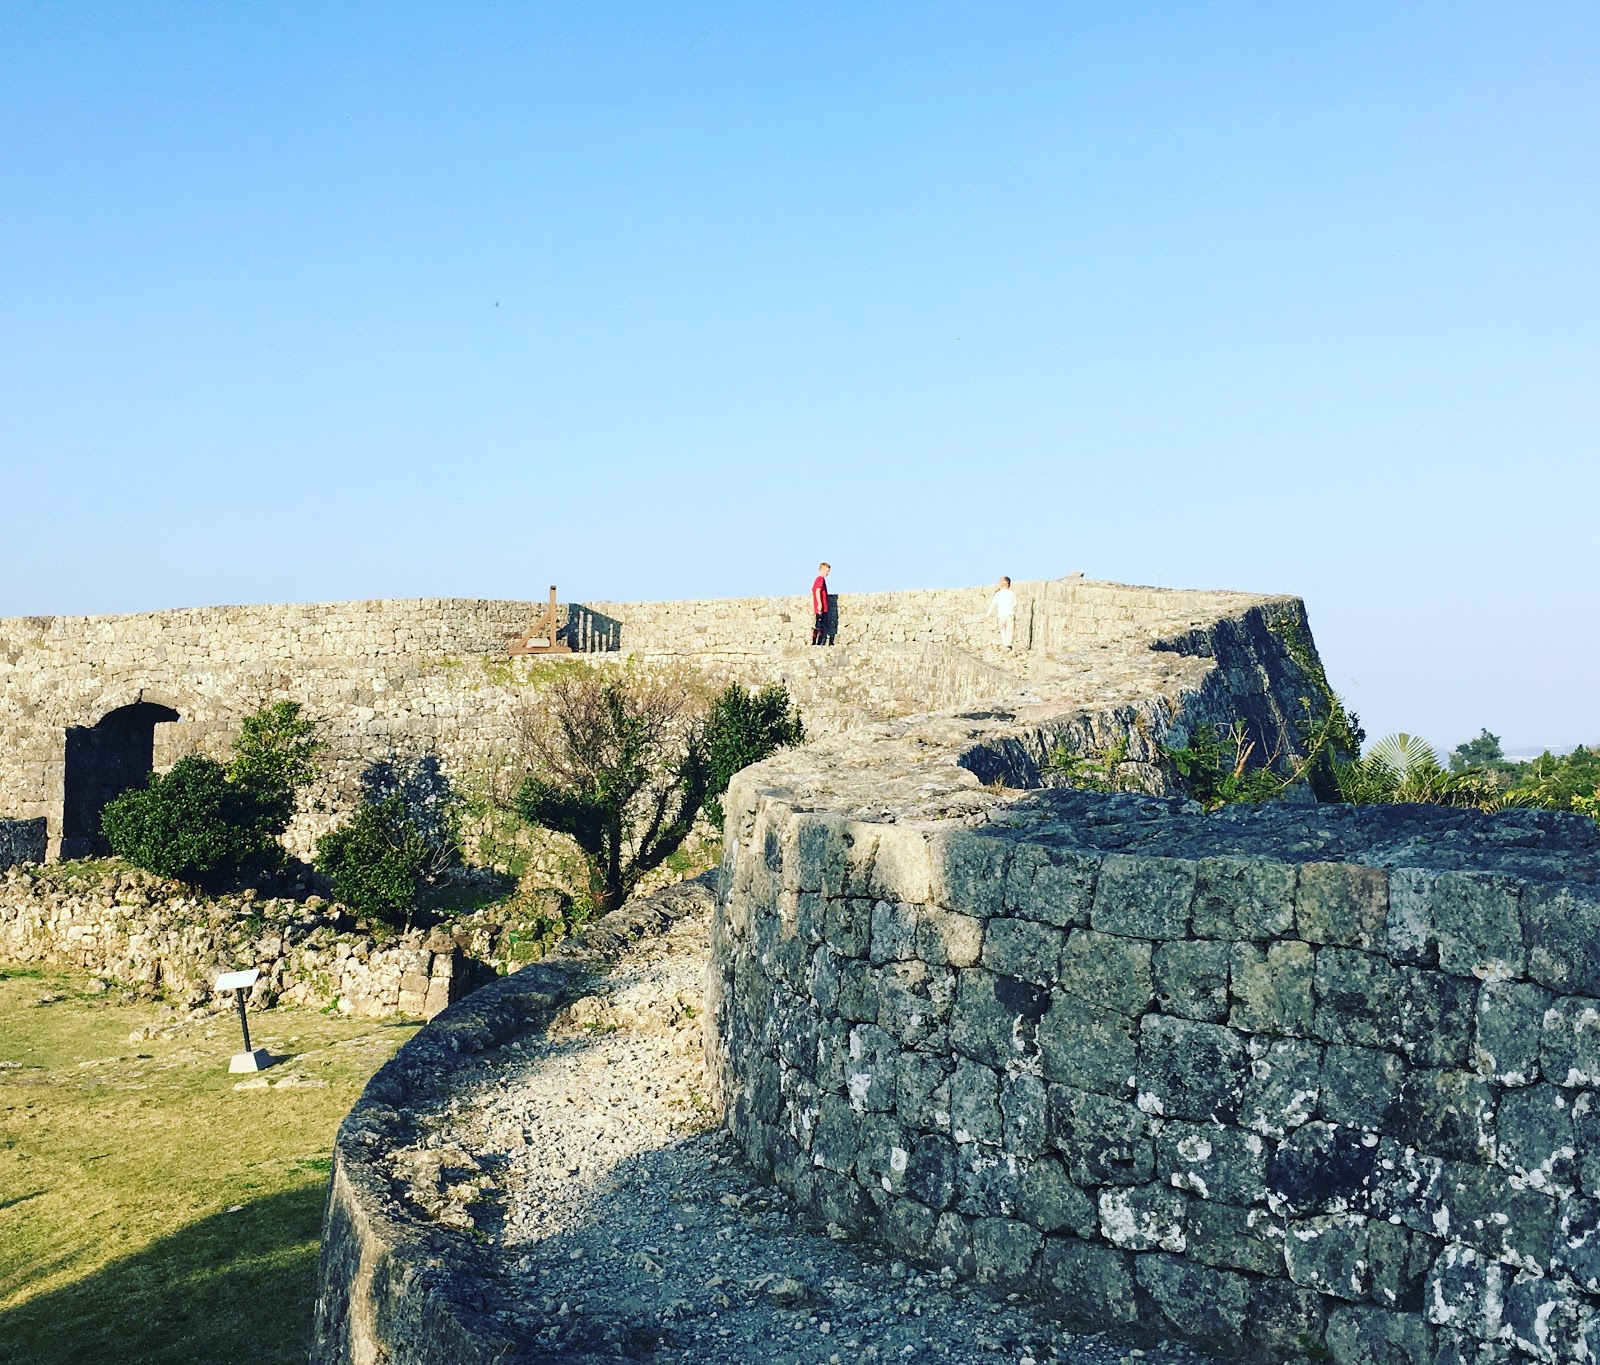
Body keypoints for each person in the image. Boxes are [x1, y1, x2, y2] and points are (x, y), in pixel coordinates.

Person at [984, 575, 1017, 649]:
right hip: (1010, 614)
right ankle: (1008, 644)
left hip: (1001, 615)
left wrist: (987, 615)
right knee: (1009, 629)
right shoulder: (1012, 593)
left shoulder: (998, 594)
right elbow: (1015, 604)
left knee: (1002, 630)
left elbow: (993, 605)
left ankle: (1005, 643)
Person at [811, 562, 833, 645]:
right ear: (822, 570)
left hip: (822, 607)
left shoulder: (818, 580)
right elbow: (817, 591)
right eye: (827, 571)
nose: (828, 573)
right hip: (822, 607)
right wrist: (820, 604)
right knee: (820, 626)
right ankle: (817, 643)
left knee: (820, 625)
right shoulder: (820, 579)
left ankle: (816, 642)